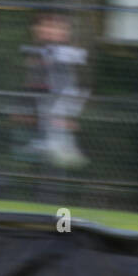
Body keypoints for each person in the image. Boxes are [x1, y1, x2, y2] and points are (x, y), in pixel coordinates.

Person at [19, 13, 89, 169]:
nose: (49, 31)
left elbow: (79, 65)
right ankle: (53, 145)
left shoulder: (68, 53)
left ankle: (60, 147)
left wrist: (70, 114)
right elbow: (32, 82)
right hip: (47, 99)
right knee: (48, 113)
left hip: (64, 97)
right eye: (46, 26)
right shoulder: (37, 54)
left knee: (54, 115)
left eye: (57, 28)